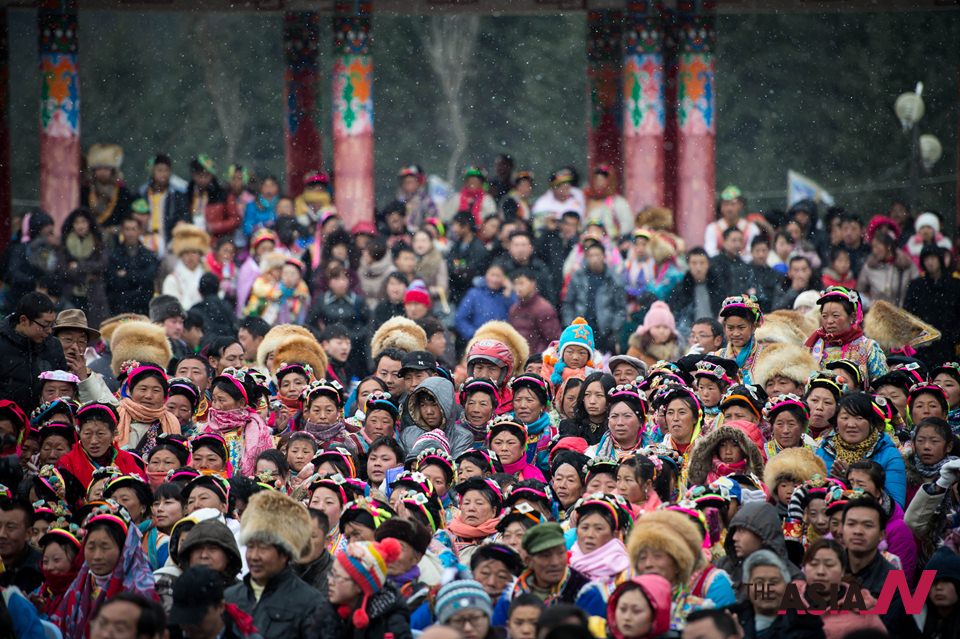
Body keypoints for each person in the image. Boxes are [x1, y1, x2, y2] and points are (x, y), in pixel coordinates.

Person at [225, 491, 336, 639]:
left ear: (285, 553)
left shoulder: (311, 604)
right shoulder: (231, 597)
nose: (254, 556)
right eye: (250, 546)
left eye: (264, 547)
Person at [54, 501, 157, 638]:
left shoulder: (142, 590)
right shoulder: (81, 584)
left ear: (123, 549)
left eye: (105, 547)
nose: (96, 556)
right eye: (91, 547)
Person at [491, 523, 605, 626]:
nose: (555, 562)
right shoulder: (512, 594)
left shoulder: (585, 592)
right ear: (528, 561)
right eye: (546, 556)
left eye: (561, 553)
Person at [815, 392, 906, 507]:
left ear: (871, 422)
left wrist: (851, 481)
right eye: (845, 417)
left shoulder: (889, 454)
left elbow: (895, 507)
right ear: (836, 422)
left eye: (859, 418)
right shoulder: (824, 451)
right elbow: (812, 496)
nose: (851, 424)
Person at [728, 549, 825, 639]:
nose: (767, 589)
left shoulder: (807, 626)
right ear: (746, 587)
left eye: (774, 581)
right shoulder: (729, 620)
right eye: (759, 582)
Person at [327, 538, 412, 639]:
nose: (330, 581)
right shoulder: (328, 611)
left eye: (337, 576)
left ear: (360, 585)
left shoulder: (390, 624)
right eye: (331, 573)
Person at [0, 292, 68, 414]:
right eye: (45, 325)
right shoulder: (2, 344)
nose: (49, 331)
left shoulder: (53, 346)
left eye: (52, 325)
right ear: (23, 320)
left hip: (44, 421)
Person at [562, 240, 626, 354]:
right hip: (579, 330)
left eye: (597, 255)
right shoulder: (578, 276)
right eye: (591, 255)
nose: (594, 259)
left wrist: (613, 329)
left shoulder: (613, 279)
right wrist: (569, 325)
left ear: (604, 256)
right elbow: (568, 303)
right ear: (586, 258)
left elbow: (621, 308)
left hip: (604, 332)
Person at [168, 566, 262, 639]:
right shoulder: (167, 634)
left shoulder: (244, 636)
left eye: (196, 617)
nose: (189, 624)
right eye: (182, 617)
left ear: (220, 606)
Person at [905, 246, 960, 366]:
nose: (930, 262)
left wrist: (954, 336)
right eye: (926, 259)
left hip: (947, 343)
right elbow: (908, 314)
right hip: (922, 343)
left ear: (940, 259)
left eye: (933, 258)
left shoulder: (955, 285)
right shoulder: (916, 286)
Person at [107, 215, 160, 315]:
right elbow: (113, 282)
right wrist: (137, 276)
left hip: (143, 308)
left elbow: (149, 277)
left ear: (139, 231)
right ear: (122, 231)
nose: (130, 233)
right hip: (120, 309)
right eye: (127, 229)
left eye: (133, 229)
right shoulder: (113, 255)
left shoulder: (149, 255)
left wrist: (127, 274)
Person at [455, 263, 516, 343]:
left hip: (502, 341)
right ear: (486, 275)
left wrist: (509, 292)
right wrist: (475, 335)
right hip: (478, 341)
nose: (494, 279)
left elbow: (517, 317)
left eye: (498, 276)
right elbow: (460, 319)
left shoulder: (507, 295)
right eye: (492, 275)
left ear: (504, 278)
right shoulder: (474, 294)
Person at [508, 269, 560, 357]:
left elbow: (554, 340)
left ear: (533, 283)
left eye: (521, 283)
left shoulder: (543, 308)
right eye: (515, 284)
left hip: (538, 361)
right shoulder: (513, 309)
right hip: (519, 359)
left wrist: (540, 357)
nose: (518, 288)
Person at [703, 186, 759, 258]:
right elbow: (710, 252)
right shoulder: (712, 228)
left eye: (733, 204)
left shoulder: (752, 228)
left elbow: (752, 253)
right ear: (721, 207)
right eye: (726, 204)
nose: (729, 208)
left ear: (740, 205)